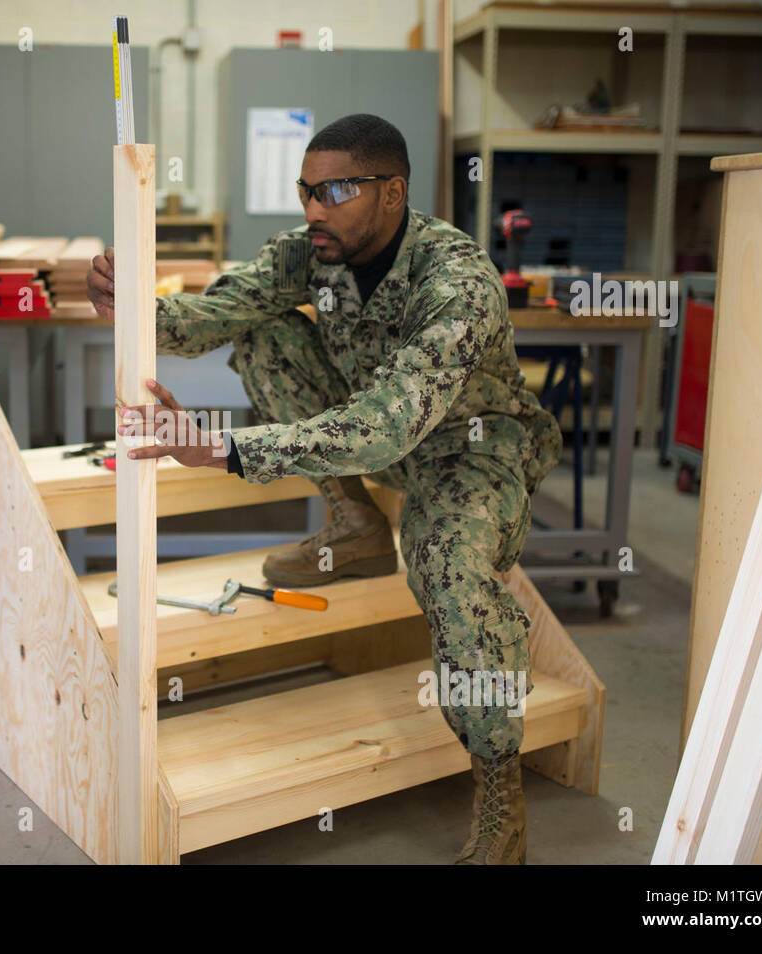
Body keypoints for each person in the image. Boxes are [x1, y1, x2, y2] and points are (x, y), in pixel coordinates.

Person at [86, 113, 561, 864]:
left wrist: (223, 447)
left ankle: (500, 789)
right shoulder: (311, 253)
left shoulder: (456, 280)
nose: (313, 209)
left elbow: (386, 424)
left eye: (335, 190)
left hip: (469, 451)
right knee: (266, 332)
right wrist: (135, 310)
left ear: (393, 193)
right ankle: (357, 525)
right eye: (306, 190)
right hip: (381, 433)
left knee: (451, 572)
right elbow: (219, 312)